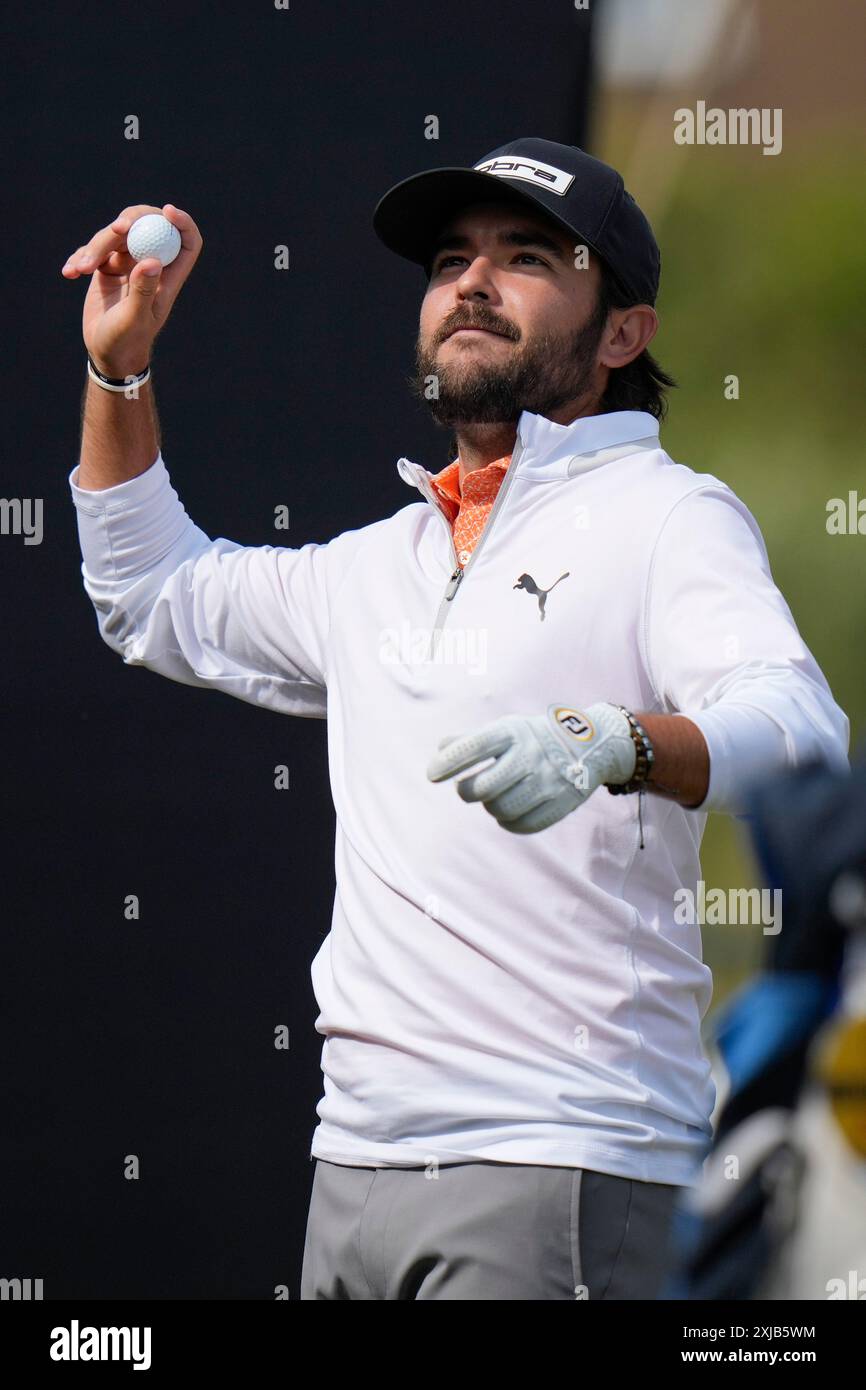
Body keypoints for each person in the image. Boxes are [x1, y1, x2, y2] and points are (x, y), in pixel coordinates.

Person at [63, 137, 850, 1300]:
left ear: (622, 331)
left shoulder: (667, 515)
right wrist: (119, 373)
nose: (470, 282)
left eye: (525, 256)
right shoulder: (380, 559)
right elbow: (152, 596)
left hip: (562, 1158)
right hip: (353, 1165)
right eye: (448, 259)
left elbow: (799, 730)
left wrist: (610, 742)